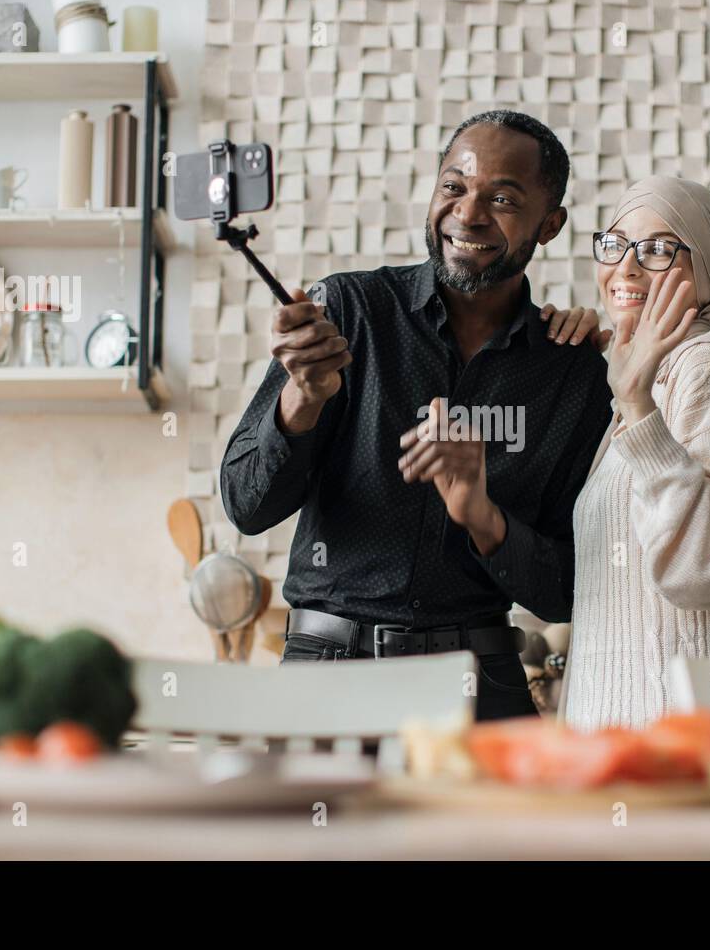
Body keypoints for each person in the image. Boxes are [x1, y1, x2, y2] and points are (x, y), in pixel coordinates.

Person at [220, 110, 612, 721]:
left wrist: (482, 517)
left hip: (481, 692)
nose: (469, 214)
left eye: (504, 198)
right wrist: (303, 400)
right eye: (454, 187)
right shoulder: (346, 311)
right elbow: (246, 506)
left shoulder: (571, 372)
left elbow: (564, 592)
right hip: (325, 684)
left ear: (550, 224)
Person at [558, 176, 710, 732]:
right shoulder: (644, 377)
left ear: (704, 265)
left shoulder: (704, 364)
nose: (627, 269)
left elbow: (697, 570)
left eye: (658, 249)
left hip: (686, 751)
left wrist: (636, 406)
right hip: (628, 751)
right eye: (616, 244)